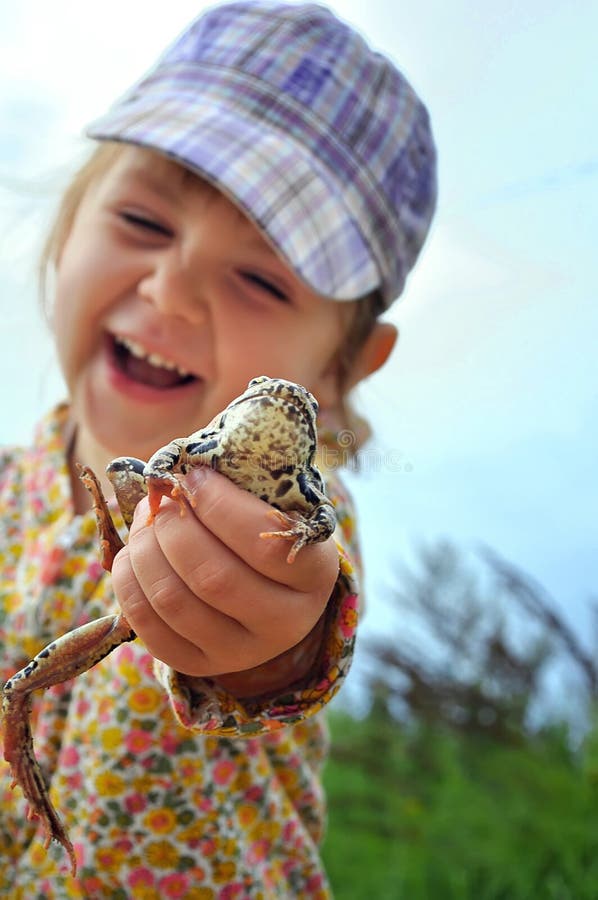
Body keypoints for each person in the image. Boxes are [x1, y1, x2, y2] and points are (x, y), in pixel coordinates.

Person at [0, 1, 436, 896]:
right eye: (144, 224)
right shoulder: (11, 489)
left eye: (260, 278)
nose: (171, 290)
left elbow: (292, 624)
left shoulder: (281, 511)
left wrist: (267, 637)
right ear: (68, 224)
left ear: (348, 362)